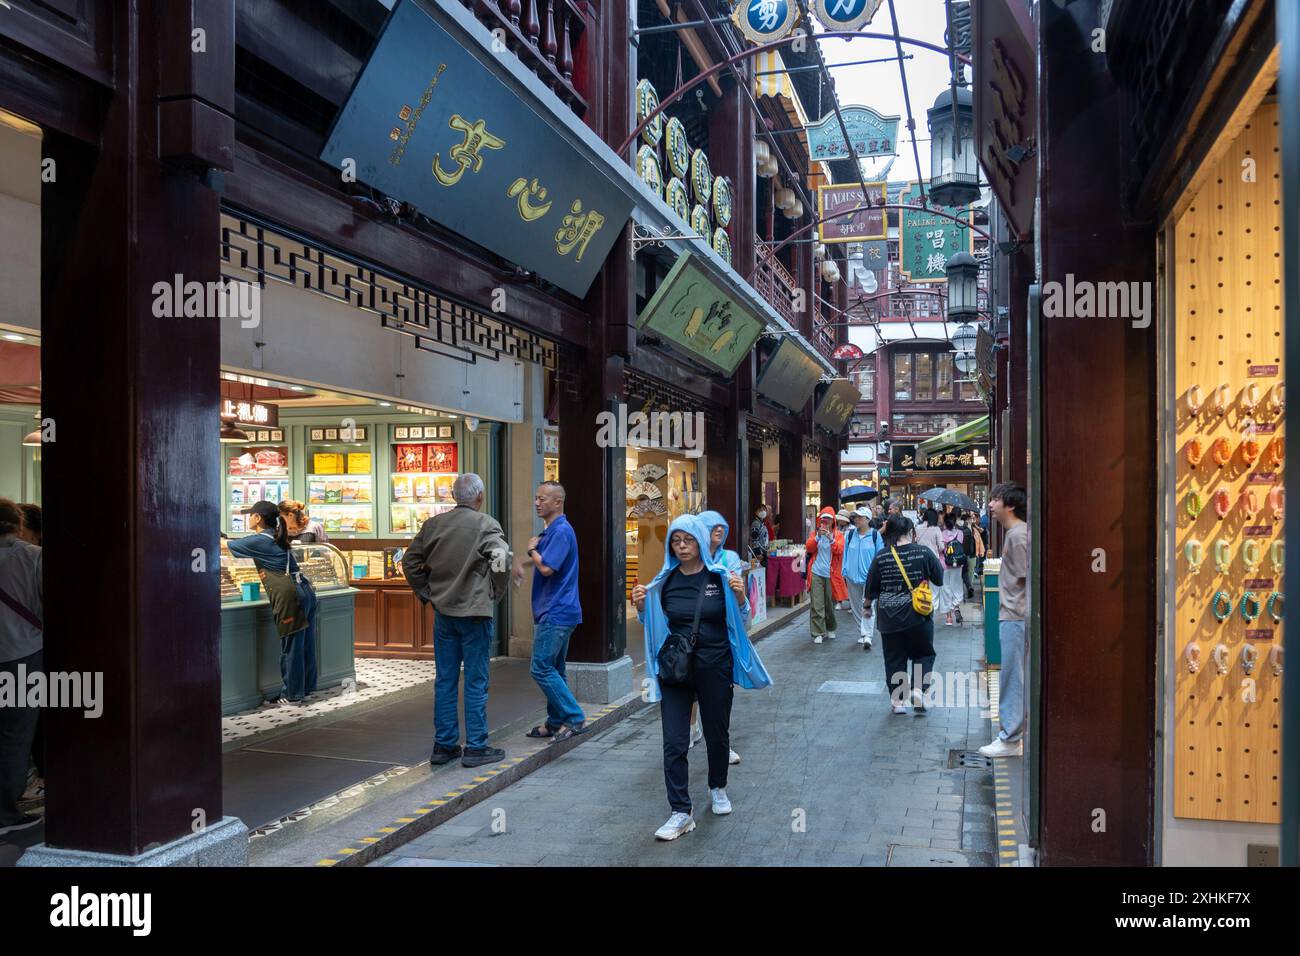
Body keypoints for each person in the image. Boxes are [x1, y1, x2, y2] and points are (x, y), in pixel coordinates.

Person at [631, 515, 771, 841]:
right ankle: (681, 811)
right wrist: (640, 607)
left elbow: (743, 622)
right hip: (676, 669)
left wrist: (739, 598)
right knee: (674, 743)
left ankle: (718, 787)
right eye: (676, 541)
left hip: (715, 665)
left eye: (688, 540)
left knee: (717, 734)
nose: (682, 547)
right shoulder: (664, 581)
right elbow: (651, 622)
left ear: (699, 541)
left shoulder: (721, 577)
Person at [402, 473, 511, 769]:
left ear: (454, 497)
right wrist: (496, 591)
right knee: (476, 680)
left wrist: (426, 591)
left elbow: (409, 561)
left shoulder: (434, 524)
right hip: (474, 613)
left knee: (445, 680)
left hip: (444, 612)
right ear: (479, 497)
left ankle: (444, 745)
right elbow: (500, 556)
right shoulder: (486, 524)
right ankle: (476, 746)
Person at [227, 500, 319, 705]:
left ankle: (292, 694)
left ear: (258, 518)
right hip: (305, 590)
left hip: (290, 595)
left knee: (292, 646)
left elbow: (224, 546)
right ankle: (306, 688)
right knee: (306, 644)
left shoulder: (258, 540)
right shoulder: (274, 536)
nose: (249, 518)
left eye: (251, 514)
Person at [513, 481, 585, 744]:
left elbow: (547, 568)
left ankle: (574, 716)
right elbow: (541, 561)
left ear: (558, 502)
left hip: (556, 611)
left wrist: (531, 550)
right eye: (536, 498)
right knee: (556, 667)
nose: (537, 503)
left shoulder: (561, 531)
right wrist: (521, 561)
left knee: (541, 667)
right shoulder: (552, 531)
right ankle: (555, 722)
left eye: (542, 498)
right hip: (559, 610)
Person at [865, 514, 945, 715]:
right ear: (911, 532)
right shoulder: (923, 553)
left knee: (894, 657)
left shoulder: (881, 556)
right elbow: (939, 578)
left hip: (889, 616)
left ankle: (898, 702)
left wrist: (867, 607)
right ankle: (918, 690)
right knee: (923, 653)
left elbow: (871, 586)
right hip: (918, 614)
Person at [0, 499, 42, 836]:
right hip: (21, 655)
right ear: (17, 522)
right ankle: (5, 815)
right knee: (15, 737)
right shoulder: (31, 558)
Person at [980, 484, 1029, 758]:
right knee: (1013, 675)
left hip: (1015, 615)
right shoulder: (1015, 534)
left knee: (1012, 677)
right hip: (1014, 615)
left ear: (1009, 505)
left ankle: (1010, 738)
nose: (990, 504)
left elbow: (1025, 578)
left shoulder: (1018, 536)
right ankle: (1011, 735)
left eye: (995, 499)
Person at [696, 511, 746, 766]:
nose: (719, 529)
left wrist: (739, 596)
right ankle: (693, 731)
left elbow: (741, 607)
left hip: (722, 636)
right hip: (691, 639)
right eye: (712, 525)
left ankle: (721, 744)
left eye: (722, 526)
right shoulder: (690, 558)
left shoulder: (730, 558)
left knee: (721, 697)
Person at [805, 507, 847, 644]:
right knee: (817, 604)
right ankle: (818, 632)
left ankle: (830, 627)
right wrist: (818, 537)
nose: (825, 522)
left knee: (829, 603)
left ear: (833, 521)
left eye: (828, 519)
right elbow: (809, 548)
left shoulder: (838, 535)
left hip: (831, 574)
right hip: (816, 572)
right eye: (823, 519)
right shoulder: (815, 534)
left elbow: (840, 550)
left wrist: (831, 539)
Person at [842, 506, 883, 649]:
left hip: (870, 577)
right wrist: (844, 570)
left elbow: (880, 556)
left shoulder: (875, 536)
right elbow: (845, 554)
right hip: (852, 576)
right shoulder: (850, 535)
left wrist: (879, 575)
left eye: (860, 517)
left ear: (868, 519)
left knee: (868, 604)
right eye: (855, 517)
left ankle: (867, 635)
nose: (857, 519)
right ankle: (862, 631)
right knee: (855, 606)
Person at [938, 511, 967, 626]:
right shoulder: (960, 533)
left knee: (946, 588)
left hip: (945, 564)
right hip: (958, 564)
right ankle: (956, 607)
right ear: (955, 522)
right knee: (956, 586)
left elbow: (940, 549)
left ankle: (949, 617)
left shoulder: (941, 533)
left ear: (945, 522)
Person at [962, 510, 984, 600]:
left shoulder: (974, 529)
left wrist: (974, 526)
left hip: (971, 554)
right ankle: (967, 589)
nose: (972, 520)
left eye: (972, 519)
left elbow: (980, 537)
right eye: (970, 519)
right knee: (966, 573)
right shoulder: (963, 529)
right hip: (966, 554)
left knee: (969, 573)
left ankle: (969, 588)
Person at [834, 511, 853, 608]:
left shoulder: (852, 529)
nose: (840, 521)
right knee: (839, 579)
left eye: (842, 519)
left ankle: (851, 602)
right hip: (838, 556)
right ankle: (839, 600)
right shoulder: (835, 528)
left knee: (848, 579)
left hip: (849, 556)